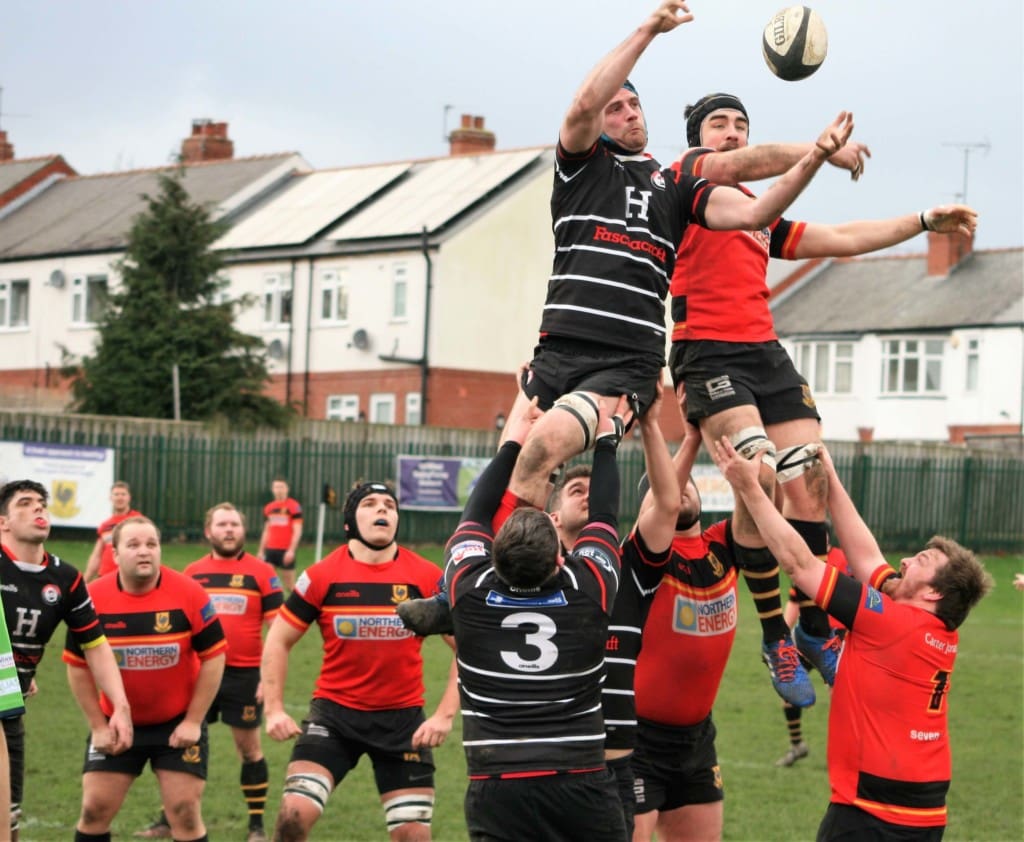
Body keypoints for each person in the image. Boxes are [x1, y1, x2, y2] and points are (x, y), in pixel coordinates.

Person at [667, 90, 979, 707]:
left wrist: (922, 221)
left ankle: (812, 627)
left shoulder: (759, 216)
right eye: (718, 124)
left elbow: (842, 236)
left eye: (740, 124)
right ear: (697, 140)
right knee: (757, 471)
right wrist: (818, 151)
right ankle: (774, 636)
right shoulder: (685, 185)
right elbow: (747, 164)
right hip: (707, 352)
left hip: (764, 353)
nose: (732, 133)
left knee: (808, 478)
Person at [499, 0, 857, 517]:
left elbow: (767, 213)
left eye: (634, 104)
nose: (628, 113)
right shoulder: (594, 168)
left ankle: (567, 557)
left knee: (542, 448)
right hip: (566, 348)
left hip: (628, 361)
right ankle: (496, 562)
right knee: (515, 462)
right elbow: (583, 105)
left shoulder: (677, 186)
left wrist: (819, 157)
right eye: (614, 108)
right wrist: (648, 30)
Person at [713, 437, 992, 839]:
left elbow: (799, 564)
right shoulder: (938, 629)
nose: (905, 560)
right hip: (927, 807)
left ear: (933, 593)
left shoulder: (892, 622)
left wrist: (749, 489)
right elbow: (868, 557)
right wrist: (831, 479)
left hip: (874, 807)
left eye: (921, 561)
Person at [443, 386, 630, 842]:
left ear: (493, 558)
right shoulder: (586, 591)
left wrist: (512, 442)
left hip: (497, 784)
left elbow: (475, 513)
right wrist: (607, 441)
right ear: (560, 558)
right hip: (580, 779)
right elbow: (606, 516)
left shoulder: (469, 592)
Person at [261, 481, 458, 842]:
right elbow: (278, 639)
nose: (382, 509)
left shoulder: (427, 577)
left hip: (403, 723)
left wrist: (444, 715)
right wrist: (273, 709)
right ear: (350, 520)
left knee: (413, 836)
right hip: (334, 718)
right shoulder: (321, 576)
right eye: (369, 503)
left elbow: (467, 647)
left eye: (390, 505)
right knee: (292, 817)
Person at [65, 515, 226, 842]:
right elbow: (77, 665)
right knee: (94, 810)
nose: (144, 551)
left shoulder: (190, 593)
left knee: (184, 813)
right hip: (116, 724)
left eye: (152, 544)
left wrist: (193, 721)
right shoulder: (91, 599)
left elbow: (214, 657)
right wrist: (98, 725)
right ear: (114, 554)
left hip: (176, 724)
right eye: (134, 544)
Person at [628, 395, 744, 842]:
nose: (683, 490)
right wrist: (691, 438)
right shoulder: (644, 560)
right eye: (673, 484)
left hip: (697, 741)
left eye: (690, 482)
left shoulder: (721, 545)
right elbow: (665, 503)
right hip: (638, 740)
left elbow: (759, 509)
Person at [137, 503, 284, 841]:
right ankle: (168, 819)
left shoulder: (262, 572)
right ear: (208, 531)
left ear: (244, 530)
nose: (229, 530)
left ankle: (256, 826)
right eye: (222, 524)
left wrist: (268, 677)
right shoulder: (193, 573)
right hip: (198, 674)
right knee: (177, 744)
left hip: (244, 675)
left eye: (234, 524)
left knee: (249, 748)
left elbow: (278, 631)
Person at [0, 479, 132, 842]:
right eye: (25, 503)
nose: (38, 507)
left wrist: (120, 705)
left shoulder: (66, 579)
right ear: (3, 522)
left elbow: (95, 645)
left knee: (10, 821)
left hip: (11, 712)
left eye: (42, 503)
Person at [776, 539, 849, 768]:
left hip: (838, 636)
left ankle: (846, 753)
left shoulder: (843, 559)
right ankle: (797, 744)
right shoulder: (804, 561)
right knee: (790, 685)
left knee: (839, 695)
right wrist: (780, 637)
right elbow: (794, 601)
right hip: (809, 637)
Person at [83, 481, 144, 582]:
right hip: (105, 577)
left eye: (123, 494)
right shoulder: (105, 526)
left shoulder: (138, 520)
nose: (120, 498)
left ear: (129, 497)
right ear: (110, 498)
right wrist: (85, 581)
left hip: (128, 577)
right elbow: (96, 556)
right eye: (116, 494)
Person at [257, 477, 303, 592]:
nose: (279, 490)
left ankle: (298, 603)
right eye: (276, 487)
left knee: (290, 586)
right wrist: (261, 551)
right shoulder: (269, 508)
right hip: (271, 550)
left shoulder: (294, 506)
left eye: (281, 487)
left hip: (285, 551)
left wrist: (291, 550)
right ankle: (276, 601)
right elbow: (266, 530)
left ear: (287, 489)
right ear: (272, 489)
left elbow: (297, 530)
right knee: (267, 583)